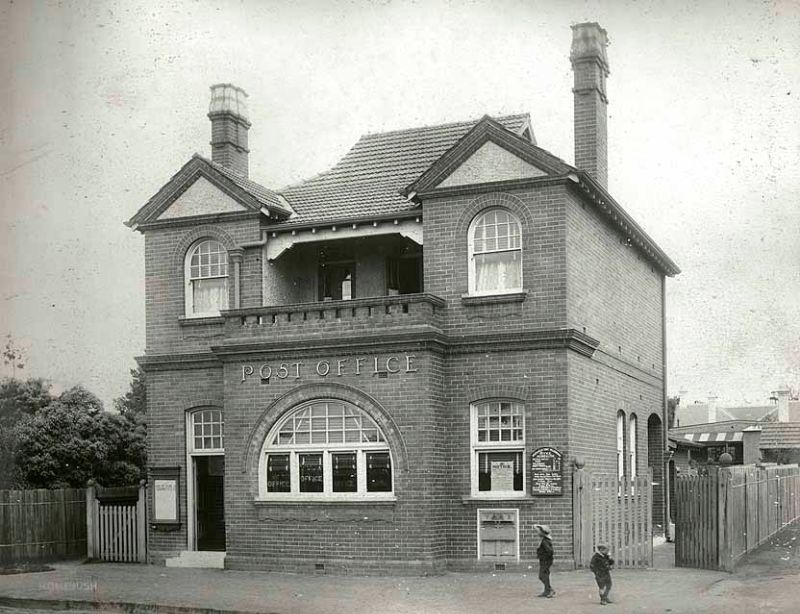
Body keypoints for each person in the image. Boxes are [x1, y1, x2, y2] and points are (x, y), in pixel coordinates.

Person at [534, 524, 555, 598]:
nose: (537, 533)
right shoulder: (545, 540)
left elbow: (550, 551)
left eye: (538, 532)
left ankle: (549, 590)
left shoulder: (545, 541)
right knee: (545, 575)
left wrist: (544, 556)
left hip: (545, 561)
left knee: (542, 576)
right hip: (545, 560)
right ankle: (547, 591)